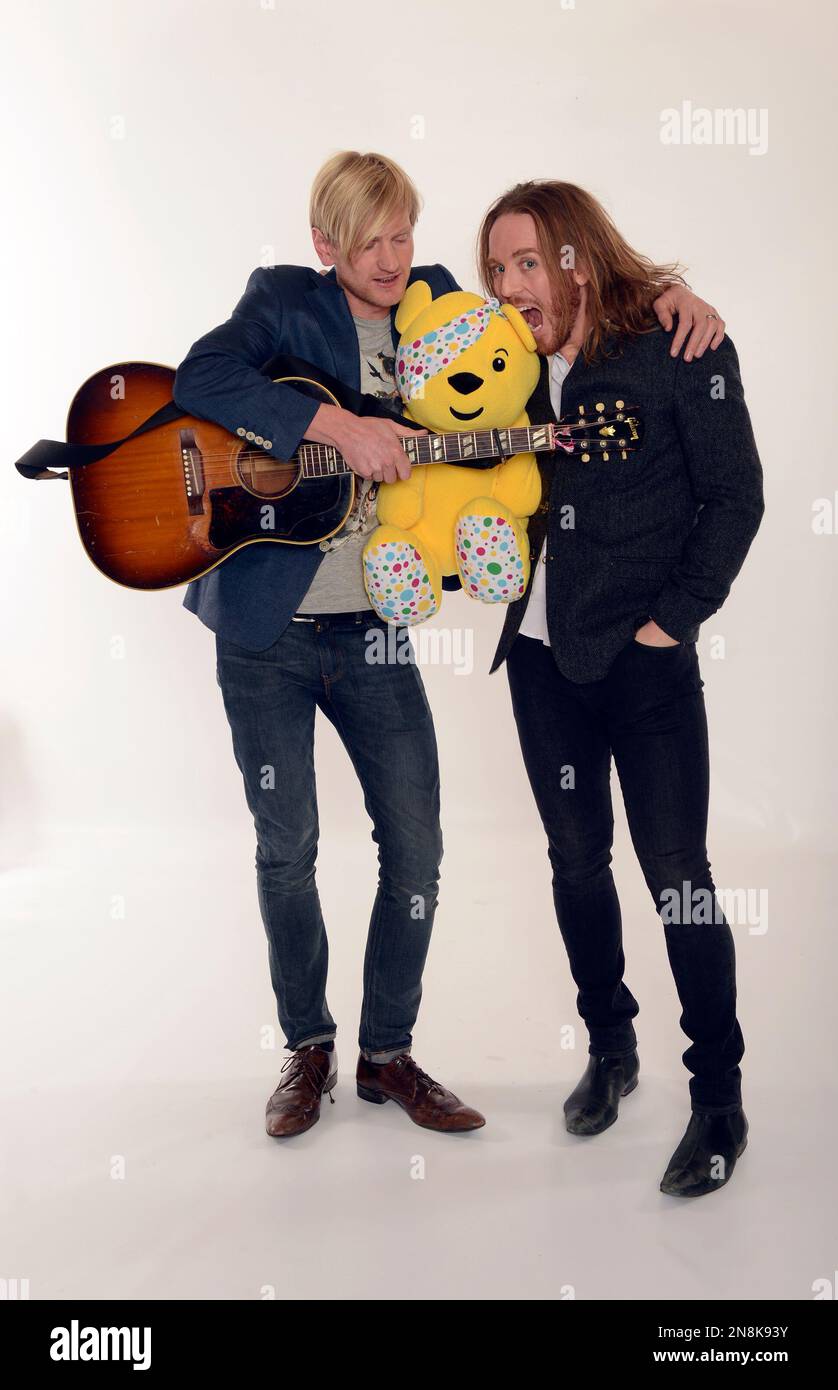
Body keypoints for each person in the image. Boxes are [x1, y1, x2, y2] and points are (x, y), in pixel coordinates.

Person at [173, 150, 725, 1142]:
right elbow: (201, 376)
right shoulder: (281, 303)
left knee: (418, 844)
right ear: (323, 243)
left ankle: (388, 1053)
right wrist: (336, 425)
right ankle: (307, 1049)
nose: (392, 259)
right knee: (287, 848)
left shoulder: (448, 308)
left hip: (378, 632)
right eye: (369, 239)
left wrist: (672, 292)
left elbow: (558, 314)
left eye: (404, 236)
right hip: (268, 631)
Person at [483, 180, 764, 1196]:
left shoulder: (680, 346)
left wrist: (669, 624)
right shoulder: (502, 369)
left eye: (527, 263)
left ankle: (719, 1098)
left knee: (676, 872)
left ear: (577, 256)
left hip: (644, 666)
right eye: (498, 269)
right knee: (572, 859)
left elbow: (737, 496)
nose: (511, 288)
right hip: (541, 662)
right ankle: (610, 1047)